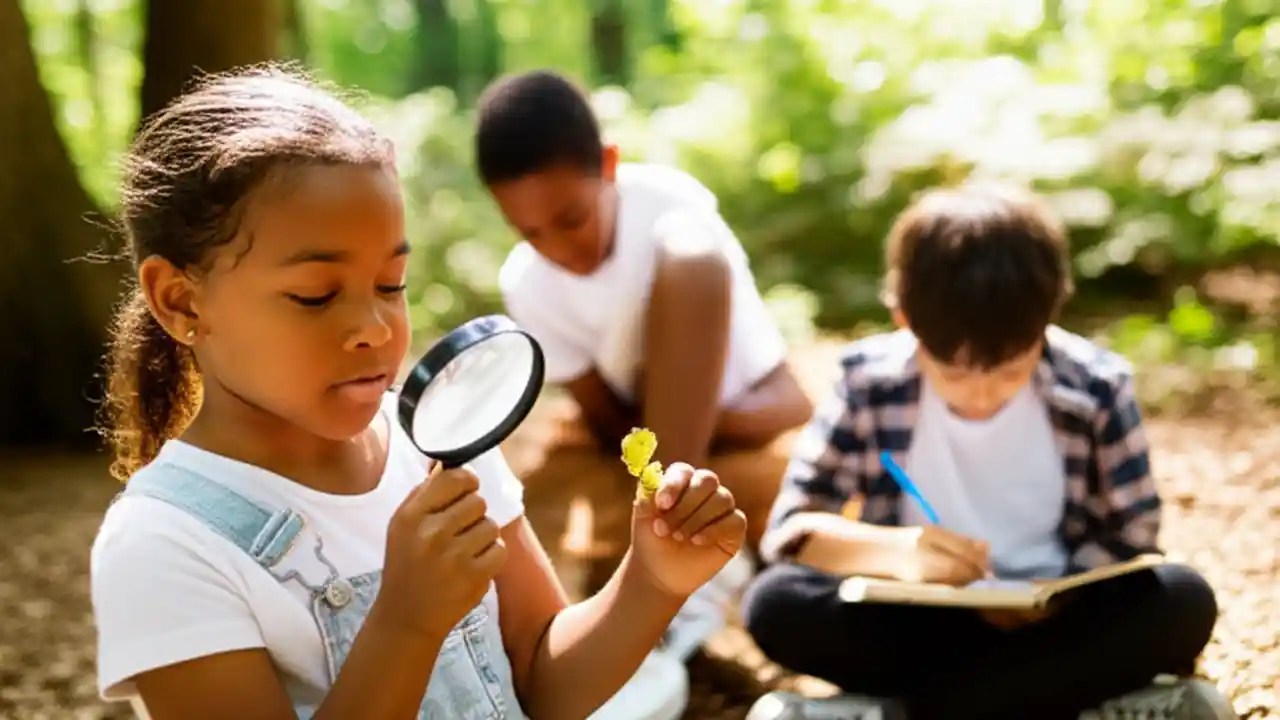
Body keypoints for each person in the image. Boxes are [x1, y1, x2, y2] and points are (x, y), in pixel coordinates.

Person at [89, 64, 747, 720]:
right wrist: (405, 625)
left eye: (391, 284)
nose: (374, 329)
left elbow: (545, 682)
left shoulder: (437, 449)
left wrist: (651, 580)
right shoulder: (165, 544)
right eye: (315, 296)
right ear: (180, 300)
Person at [740, 184, 1233, 720]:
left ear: (1046, 320)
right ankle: (1086, 709)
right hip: (918, 623)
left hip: (1054, 623)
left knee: (1181, 599)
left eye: (1009, 371)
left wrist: (1054, 595)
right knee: (776, 602)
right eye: (953, 371)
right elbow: (794, 530)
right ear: (904, 318)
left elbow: (1133, 536)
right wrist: (902, 554)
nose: (980, 393)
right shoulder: (869, 385)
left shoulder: (1095, 388)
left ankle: (890, 713)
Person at [473, 70, 813, 662]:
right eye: (529, 233)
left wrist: (671, 433)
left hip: (739, 410)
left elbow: (788, 402)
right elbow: (608, 422)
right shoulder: (527, 282)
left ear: (608, 165)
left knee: (690, 258)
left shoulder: (671, 208)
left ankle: (681, 553)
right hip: (654, 436)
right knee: (544, 490)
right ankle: (668, 555)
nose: (558, 248)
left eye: (571, 219)